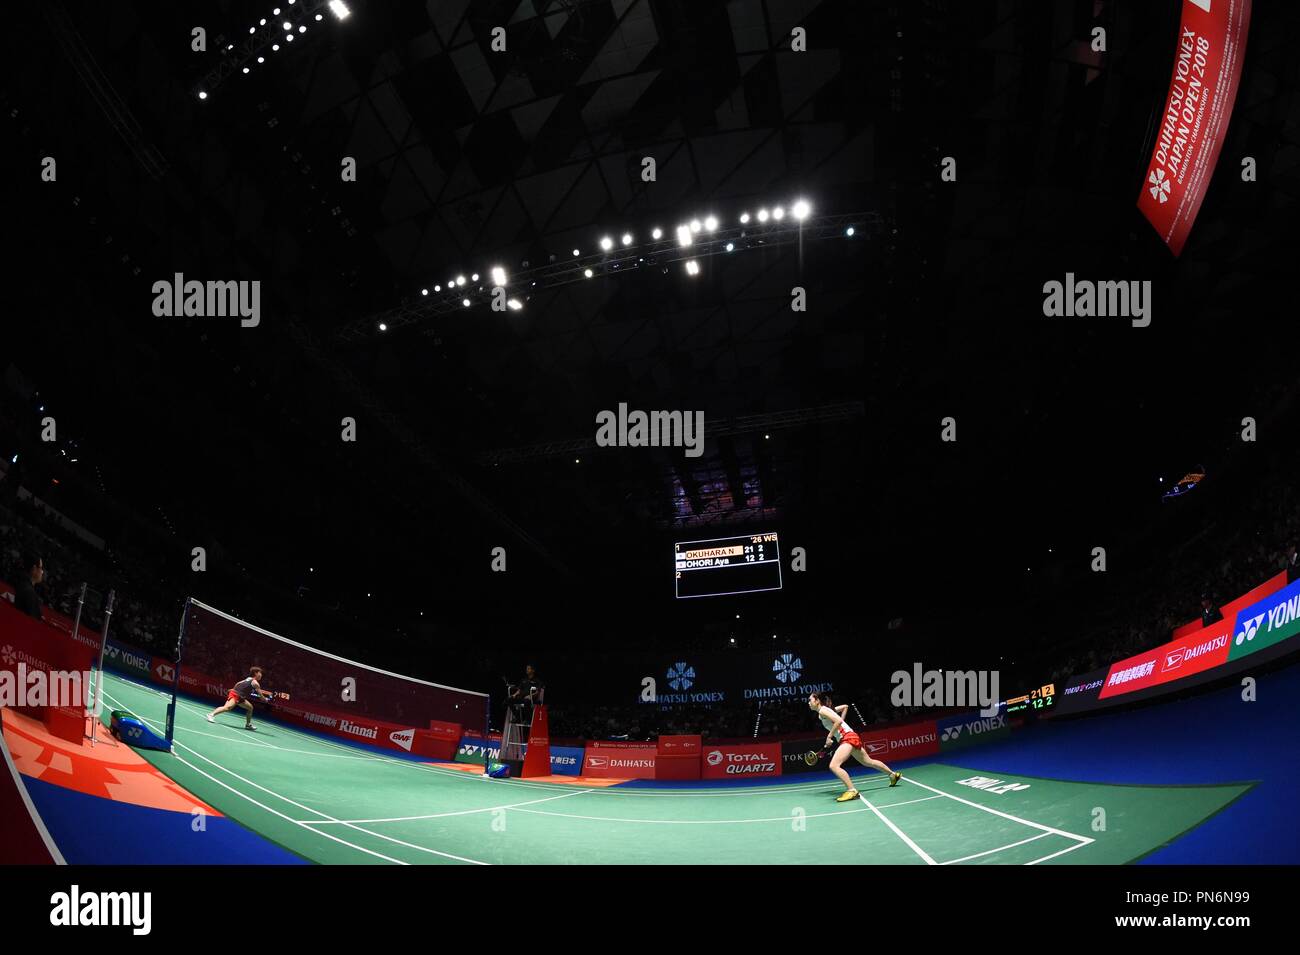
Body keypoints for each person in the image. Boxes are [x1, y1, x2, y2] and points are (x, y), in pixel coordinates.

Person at [808, 691, 901, 802]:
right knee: (868, 762)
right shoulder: (825, 711)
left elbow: (838, 720)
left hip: (847, 737)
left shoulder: (823, 710)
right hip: (850, 735)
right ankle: (893, 775)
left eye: (810, 700)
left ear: (817, 701)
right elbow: (845, 708)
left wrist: (829, 736)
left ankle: (852, 791)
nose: (808, 702)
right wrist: (840, 727)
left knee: (834, 766)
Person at [206, 666, 274, 731]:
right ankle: (211, 715)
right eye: (260, 673)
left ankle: (248, 725)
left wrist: (233, 689)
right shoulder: (255, 683)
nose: (261, 675)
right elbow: (261, 696)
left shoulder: (248, 678)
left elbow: (238, 683)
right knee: (227, 707)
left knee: (250, 708)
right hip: (236, 695)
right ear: (255, 673)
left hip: (241, 697)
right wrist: (266, 700)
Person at [13, 550, 44, 621]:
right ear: (34, 568)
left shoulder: (21, 584)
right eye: (41, 568)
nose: (42, 572)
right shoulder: (29, 593)